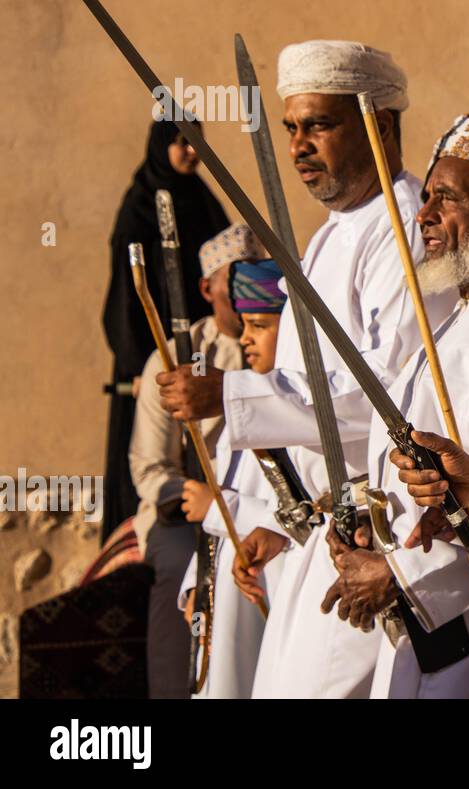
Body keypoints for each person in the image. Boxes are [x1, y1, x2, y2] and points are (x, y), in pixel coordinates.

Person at [161, 40, 429, 698]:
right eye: (289, 128)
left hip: (381, 529)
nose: (299, 145)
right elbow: (301, 390)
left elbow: (387, 411)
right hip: (315, 529)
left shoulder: (401, 229)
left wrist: (228, 392)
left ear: (379, 126)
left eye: (319, 124)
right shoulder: (330, 235)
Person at [325, 112, 469, 699]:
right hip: (422, 638)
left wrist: (401, 574)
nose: (423, 214)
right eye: (427, 195)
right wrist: (369, 527)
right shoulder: (451, 323)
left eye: (447, 198)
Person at [128, 223, 254, 698]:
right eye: (235, 280)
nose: (248, 292)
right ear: (206, 287)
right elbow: (149, 469)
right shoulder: (174, 358)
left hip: (259, 505)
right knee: (184, 560)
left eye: (259, 278)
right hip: (188, 512)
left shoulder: (283, 346)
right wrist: (200, 500)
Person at [103, 118, 228, 538]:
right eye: (181, 144)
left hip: (207, 348)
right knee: (151, 461)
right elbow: (126, 295)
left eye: (197, 143)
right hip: (152, 359)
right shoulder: (139, 208)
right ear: (161, 146)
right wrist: (142, 365)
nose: (192, 152)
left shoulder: (203, 200)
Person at [179, 257, 290, 698]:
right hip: (224, 594)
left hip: (268, 593)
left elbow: (302, 516)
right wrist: (195, 585)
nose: (245, 338)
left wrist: (225, 509)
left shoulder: (304, 421)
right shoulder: (242, 410)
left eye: (260, 325)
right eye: (244, 324)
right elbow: (218, 505)